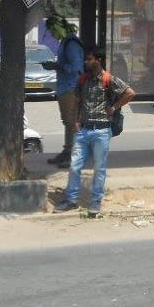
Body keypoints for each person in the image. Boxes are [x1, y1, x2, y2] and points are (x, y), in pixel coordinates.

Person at [55, 49, 134, 218]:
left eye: (89, 59)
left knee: (99, 168)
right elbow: (76, 101)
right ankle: (71, 199)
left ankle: (95, 202)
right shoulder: (83, 80)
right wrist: (76, 121)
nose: (85, 62)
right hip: (84, 130)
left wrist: (113, 107)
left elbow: (129, 93)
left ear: (98, 60)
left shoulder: (108, 79)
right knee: (75, 166)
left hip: (102, 130)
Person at [46, 14, 86, 168]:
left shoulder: (70, 43)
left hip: (71, 87)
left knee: (72, 122)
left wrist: (57, 66)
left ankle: (74, 156)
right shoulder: (65, 42)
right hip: (65, 87)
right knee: (68, 122)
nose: (52, 35)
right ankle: (67, 152)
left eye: (52, 31)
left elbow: (75, 68)